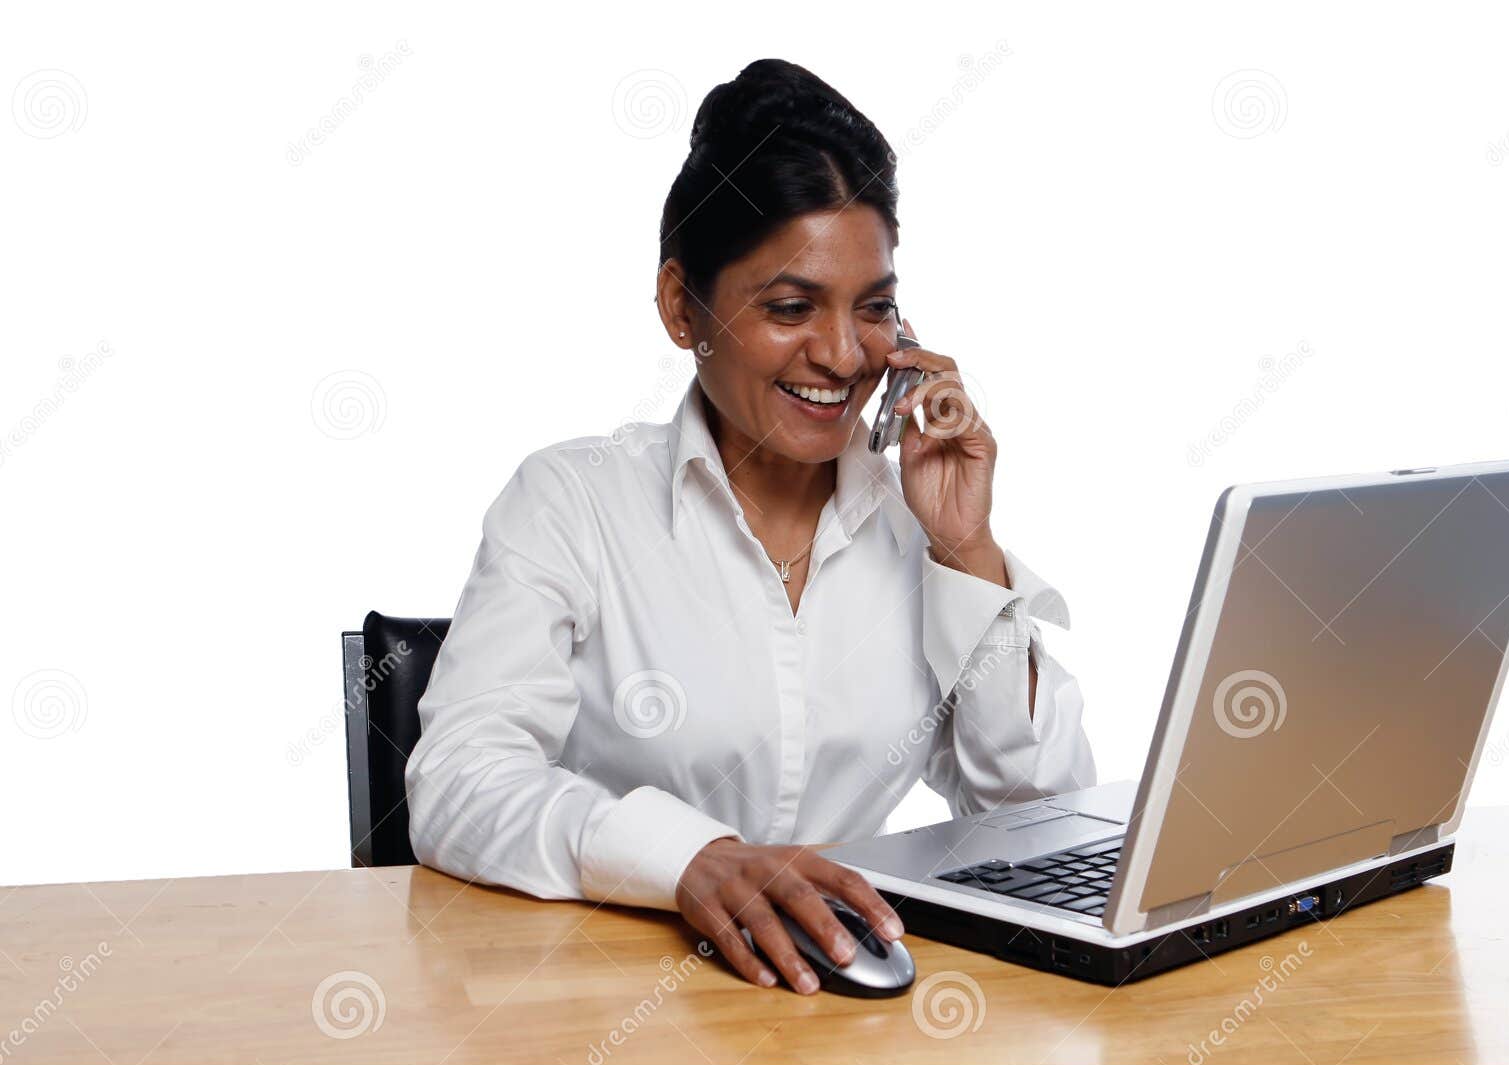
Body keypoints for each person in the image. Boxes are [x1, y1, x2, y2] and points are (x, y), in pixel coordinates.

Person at [405, 58, 1096, 995]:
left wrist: (965, 549)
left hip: (846, 1011)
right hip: (607, 1008)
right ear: (680, 306)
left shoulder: (915, 534)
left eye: (874, 308)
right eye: (791, 307)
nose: (843, 355)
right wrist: (689, 857)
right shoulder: (573, 502)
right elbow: (457, 782)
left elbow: (1046, 823)